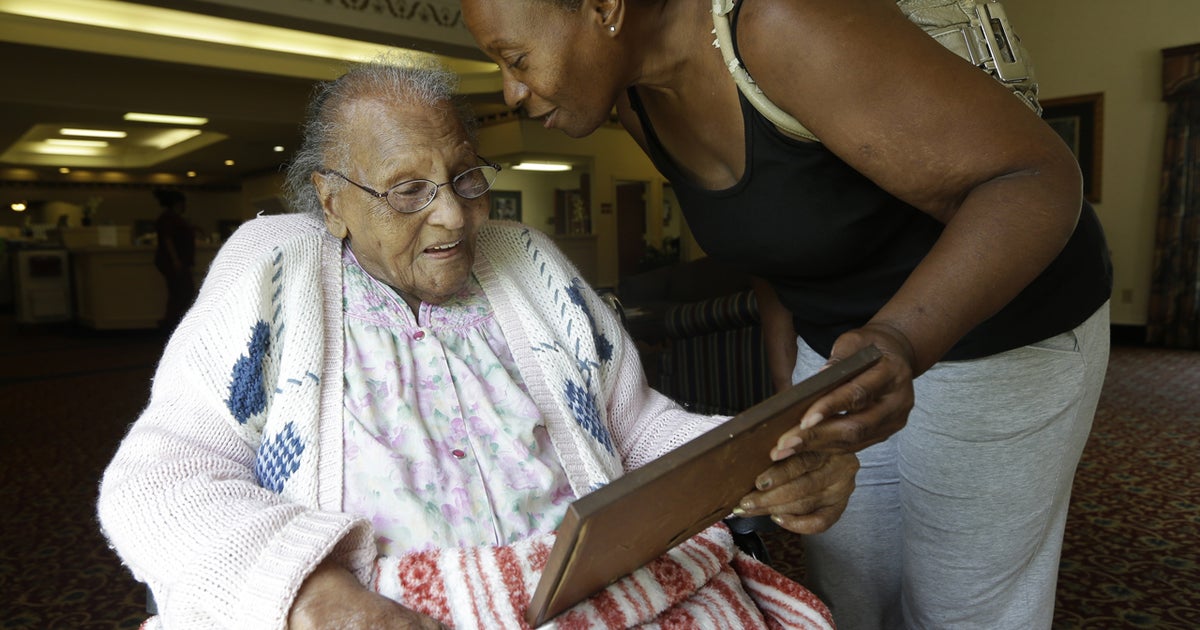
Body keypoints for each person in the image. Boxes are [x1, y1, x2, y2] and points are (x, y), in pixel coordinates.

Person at [97, 57, 859, 629]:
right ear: (332, 201)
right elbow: (160, 483)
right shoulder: (275, 264)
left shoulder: (523, 255)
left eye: (465, 178)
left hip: (586, 589)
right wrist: (315, 599)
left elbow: (632, 425)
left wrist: (755, 460)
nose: (455, 219)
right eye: (408, 191)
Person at [459, 1, 1113, 628]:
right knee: (849, 596)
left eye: (514, 58)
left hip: (995, 327)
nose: (511, 92)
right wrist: (791, 393)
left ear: (604, 8)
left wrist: (901, 338)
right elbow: (770, 237)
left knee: (961, 606)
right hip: (845, 351)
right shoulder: (633, 100)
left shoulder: (779, 23)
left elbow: (1034, 178)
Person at [152, 188, 197, 331]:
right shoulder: (169, 219)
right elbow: (168, 239)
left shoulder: (170, 218)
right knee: (183, 292)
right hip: (175, 262)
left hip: (176, 261)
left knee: (179, 292)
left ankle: (171, 322)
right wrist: (175, 259)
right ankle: (170, 323)